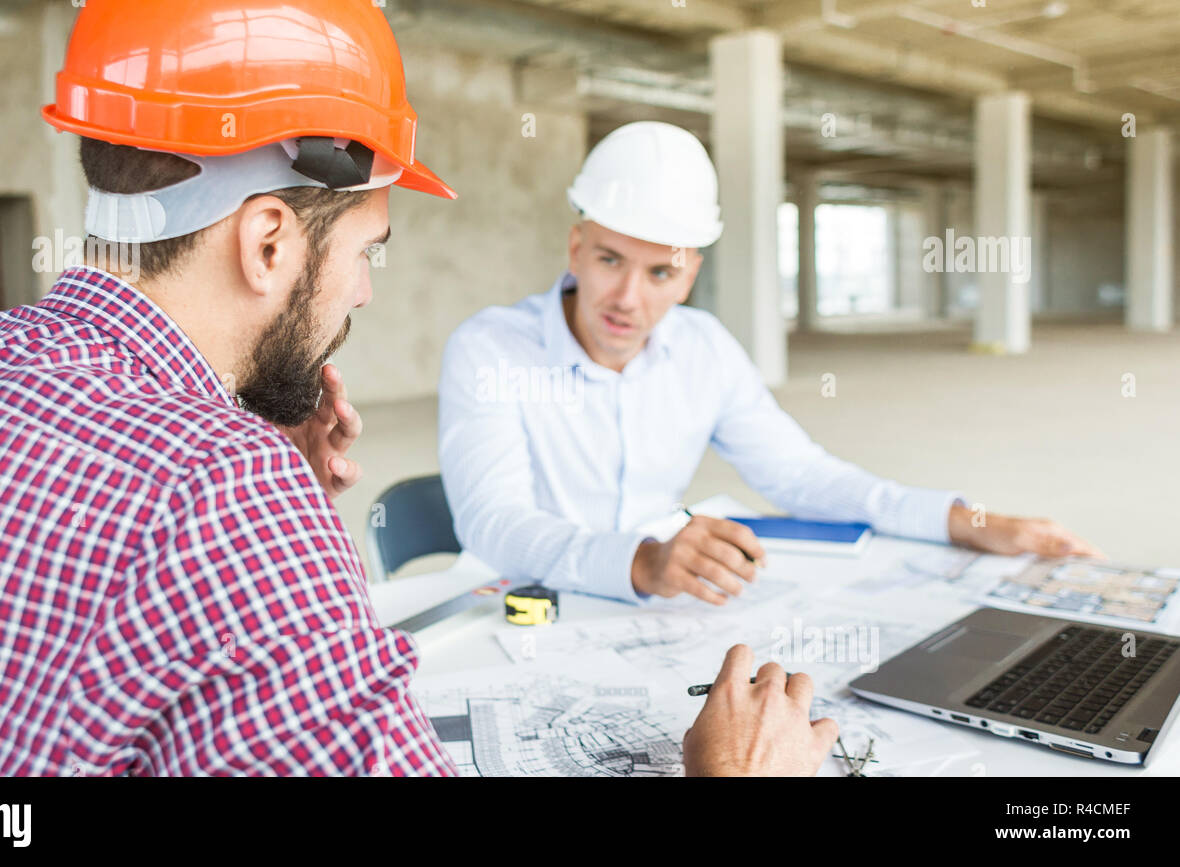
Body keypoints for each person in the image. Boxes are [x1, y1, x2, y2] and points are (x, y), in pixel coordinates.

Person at [0, 2, 829, 777]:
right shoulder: (223, 490)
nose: (367, 290)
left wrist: (273, 517)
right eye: (368, 249)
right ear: (267, 243)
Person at [438, 120, 1102, 608]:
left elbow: (802, 474)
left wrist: (967, 520)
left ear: (691, 271)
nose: (628, 298)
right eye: (610, 259)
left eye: (660, 270)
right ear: (576, 246)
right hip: (517, 608)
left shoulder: (704, 350)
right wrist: (641, 560)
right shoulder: (491, 348)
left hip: (658, 608)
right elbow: (494, 520)